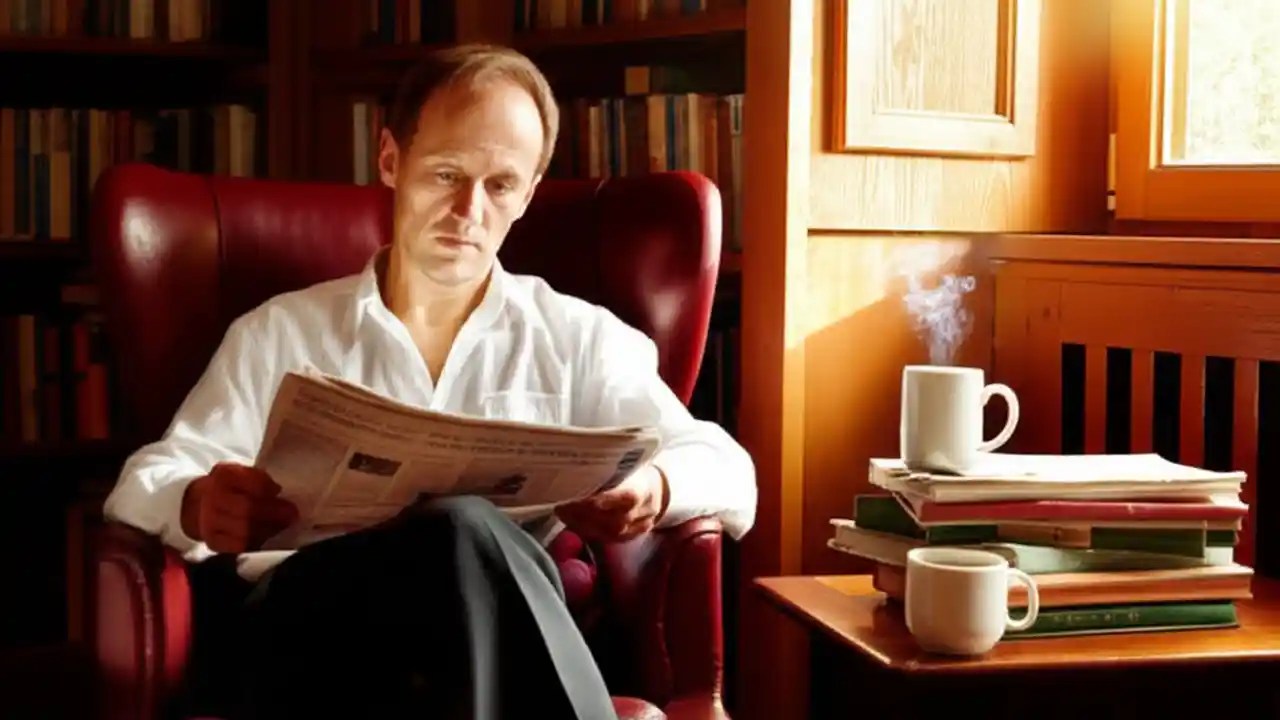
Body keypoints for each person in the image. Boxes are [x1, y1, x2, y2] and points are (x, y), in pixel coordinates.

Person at [101, 43, 756, 719]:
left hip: (494, 637)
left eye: (501, 184)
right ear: (391, 160)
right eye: (446, 174)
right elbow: (144, 482)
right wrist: (197, 503)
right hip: (315, 636)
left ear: (529, 193)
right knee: (461, 528)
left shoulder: (576, 337)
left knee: (465, 541)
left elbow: (728, 470)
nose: (469, 210)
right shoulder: (280, 334)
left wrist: (654, 487)